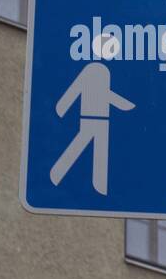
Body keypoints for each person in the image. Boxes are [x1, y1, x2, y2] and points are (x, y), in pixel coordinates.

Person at [49, 62, 135, 195]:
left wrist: (61, 108)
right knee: (83, 143)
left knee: (97, 148)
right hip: (91, 118)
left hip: (101, 120)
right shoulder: (92, 77)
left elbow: (108, 96)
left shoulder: (96, 78)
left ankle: (100, 185)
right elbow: (73, 93)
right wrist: (61, 108)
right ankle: (58, 174)